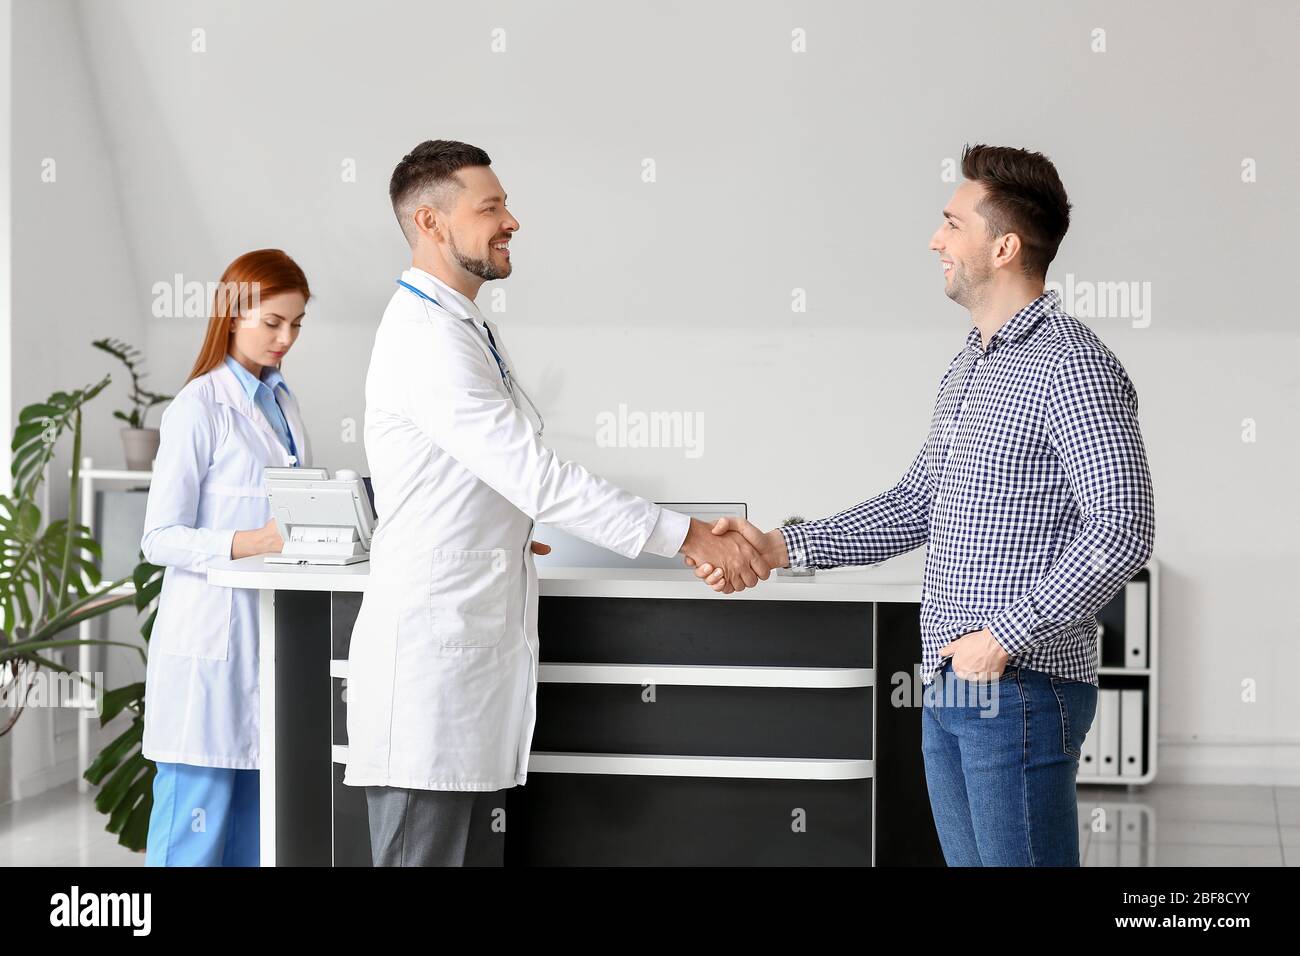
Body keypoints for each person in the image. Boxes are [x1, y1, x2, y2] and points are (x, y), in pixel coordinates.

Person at [692, 145, 1155, 866]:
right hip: (951, 677)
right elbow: (917, 502)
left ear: (1002, 247)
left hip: (1019, 685)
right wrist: (780, 545)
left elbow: (1122, 528)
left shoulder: (1073, 366)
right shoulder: (973, 359)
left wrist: (1003, 636)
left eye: (951, 224)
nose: (935, 240)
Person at [344, 140, 769, 866]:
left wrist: (500, 530)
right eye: (491, 207)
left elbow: (486, 477)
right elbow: (535, 476)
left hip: (465, 659)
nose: (513, 221)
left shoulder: (463, 325)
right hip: (430, 671)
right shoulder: (428, 337)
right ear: (431, 222)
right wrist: (690, 536)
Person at [140, 248, 313, 866]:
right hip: (207, 645)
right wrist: (250, 542)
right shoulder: (197, 406)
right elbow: (158, 536)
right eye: (273, 322)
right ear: (233, 314)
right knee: (194, 829)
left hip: (266, 643)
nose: (285, 338)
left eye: (295, 325)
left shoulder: (283, 403)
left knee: (254, 833)